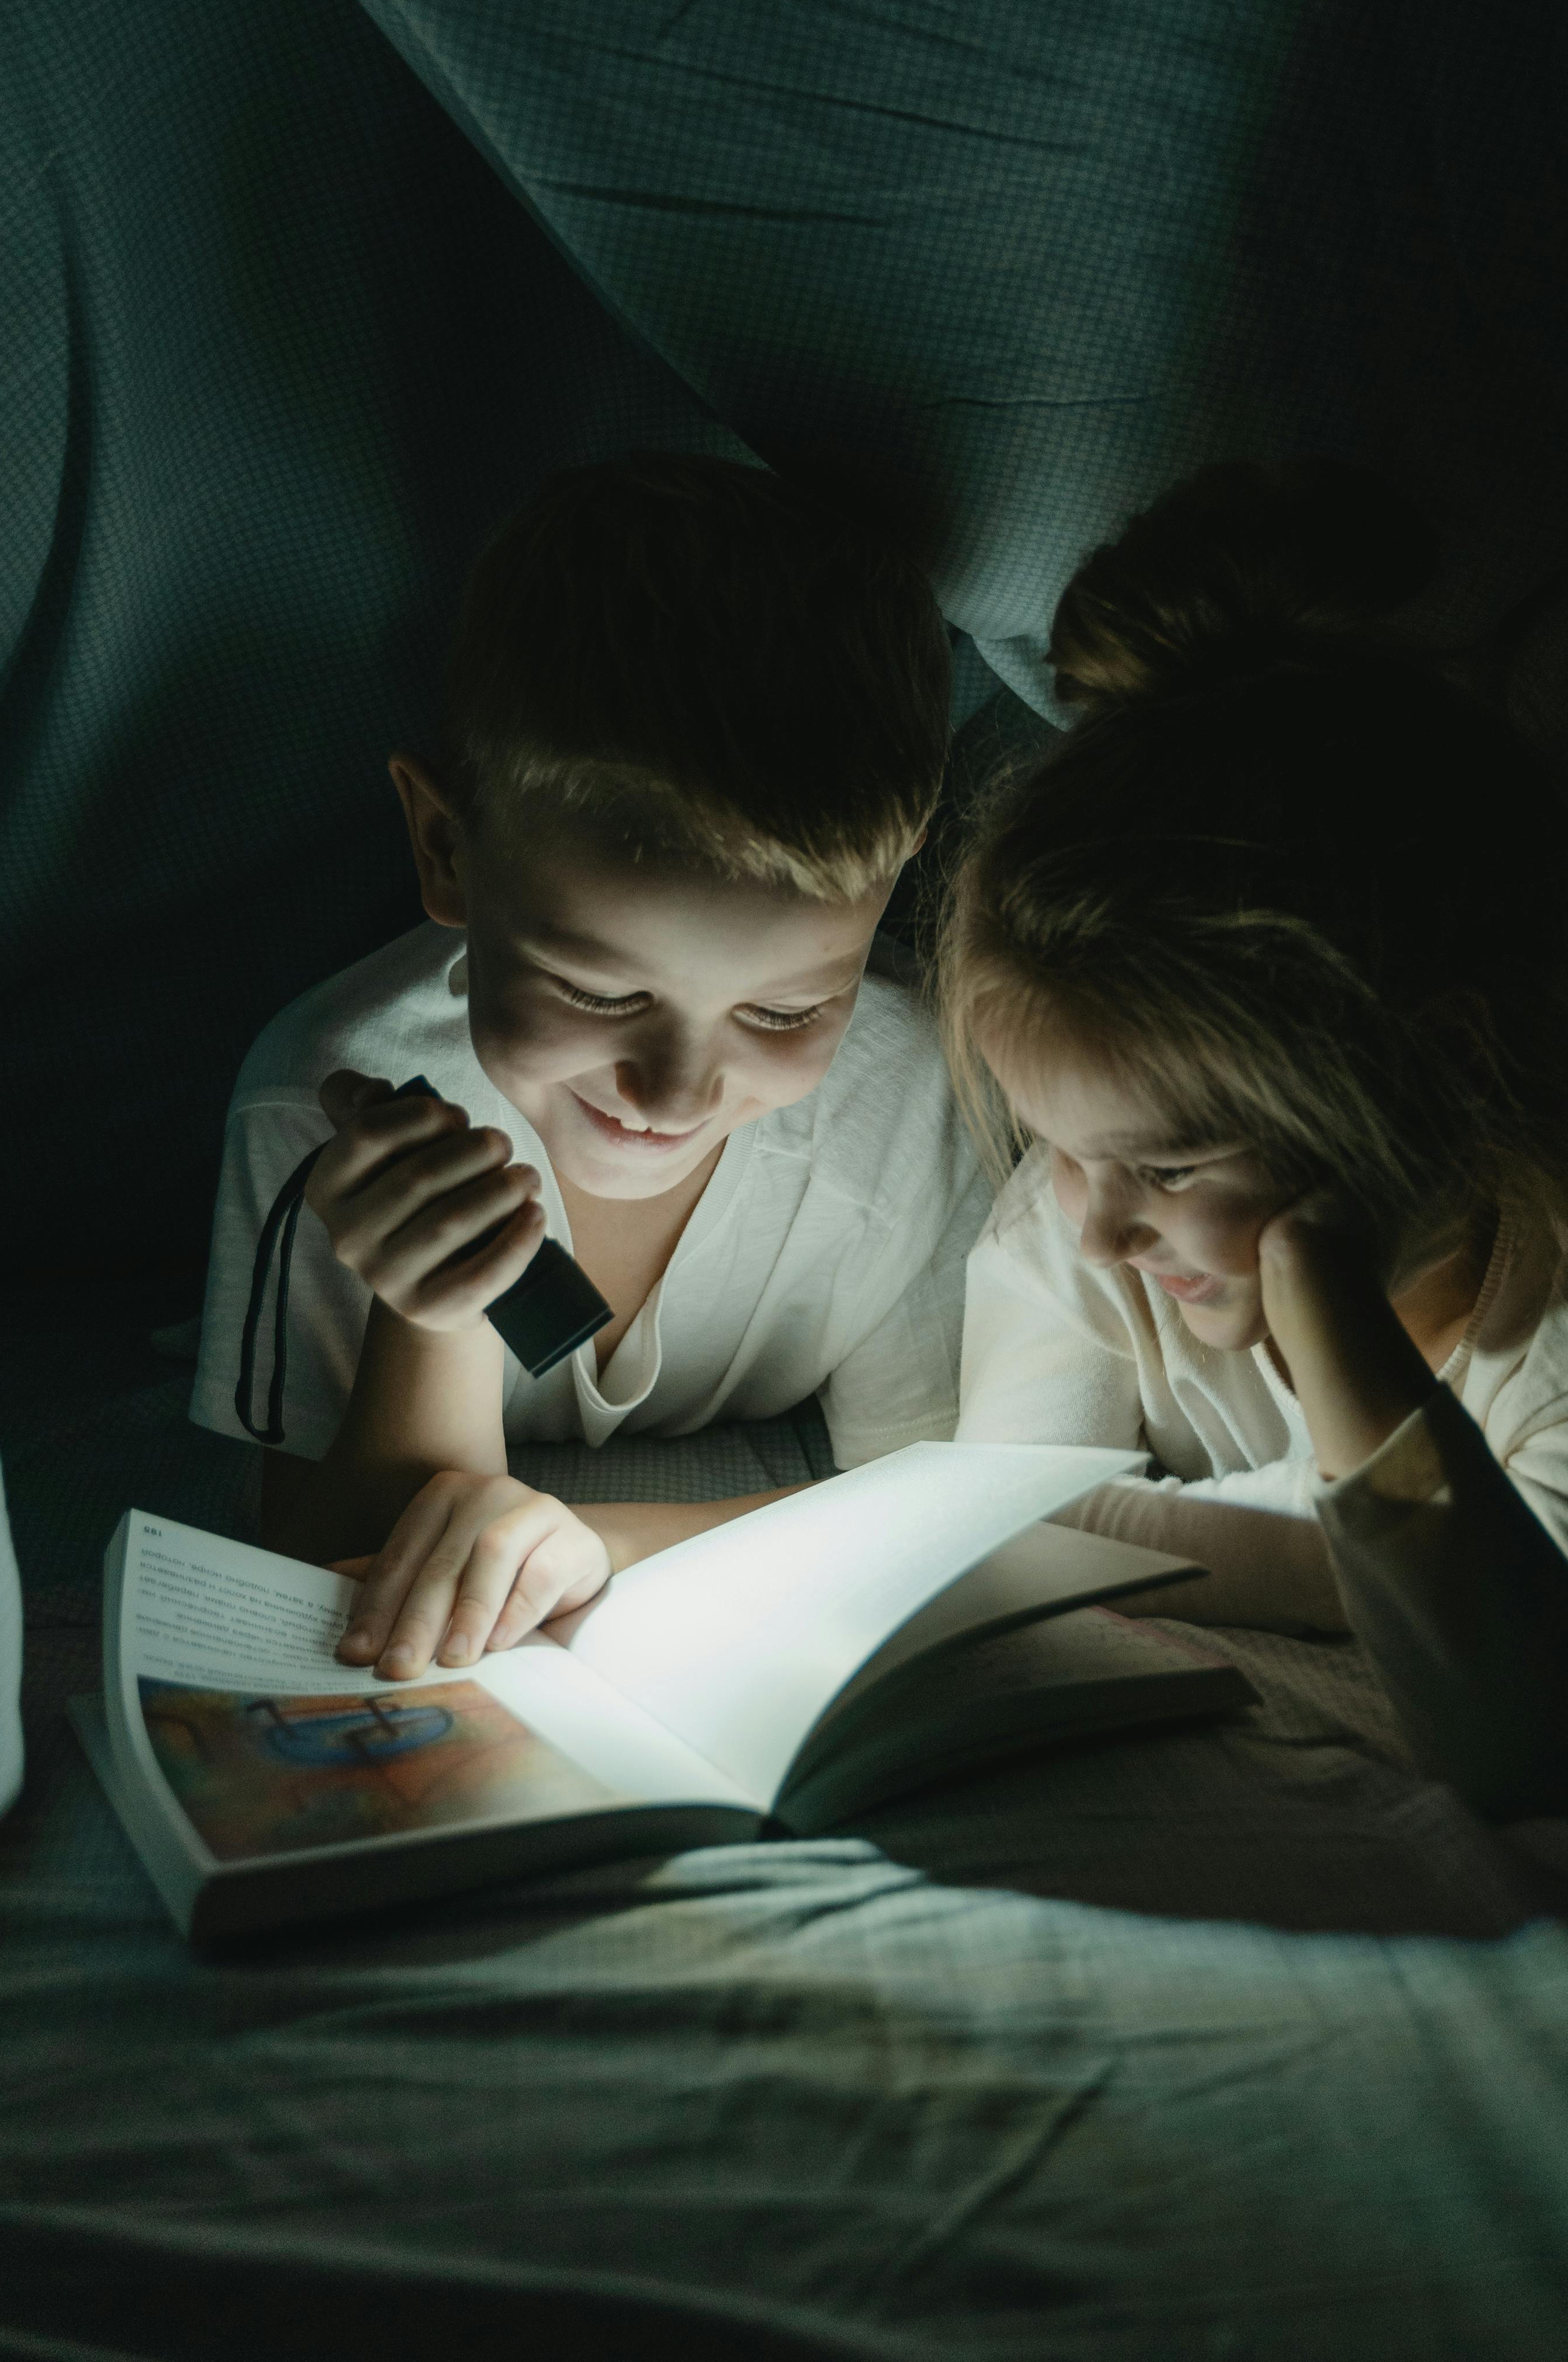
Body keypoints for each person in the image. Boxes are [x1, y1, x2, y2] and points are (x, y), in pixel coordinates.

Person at [941, 459, 1568, 1818]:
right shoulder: (1085, 1221)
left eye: (1173, 1165)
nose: (1093, 1223)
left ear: (1436, 1074)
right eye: (1061, 1148)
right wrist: (1322, 1562)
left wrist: (1342, 1343)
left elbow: (1535, 1751)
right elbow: (1006, 1527)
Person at [188, 452, 986, 1682]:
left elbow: (938, 1517)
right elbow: (334, 1583)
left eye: (784, 1011)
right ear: (447, 847)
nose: (673, 1095)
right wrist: (433, 1316)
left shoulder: (912, 1105)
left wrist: (597, 1542)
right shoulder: (322, 1104)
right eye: (600, 992)